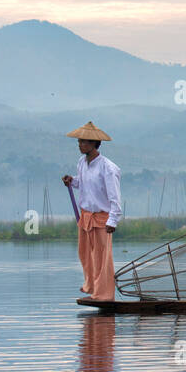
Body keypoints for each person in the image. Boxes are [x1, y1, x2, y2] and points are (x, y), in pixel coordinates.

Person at [62, 121, 123, 301]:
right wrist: (71, 181)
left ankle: (104, 294)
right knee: (86, 254)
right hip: (85, 216)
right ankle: (93, 288)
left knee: (102, 258)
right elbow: (83, 183)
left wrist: (113, 220)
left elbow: (114, 198)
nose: (80, 145)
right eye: (79, 142)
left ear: (94, 144)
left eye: (84, 142)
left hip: (102, 218)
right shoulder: (82, 162)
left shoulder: (108, 168)